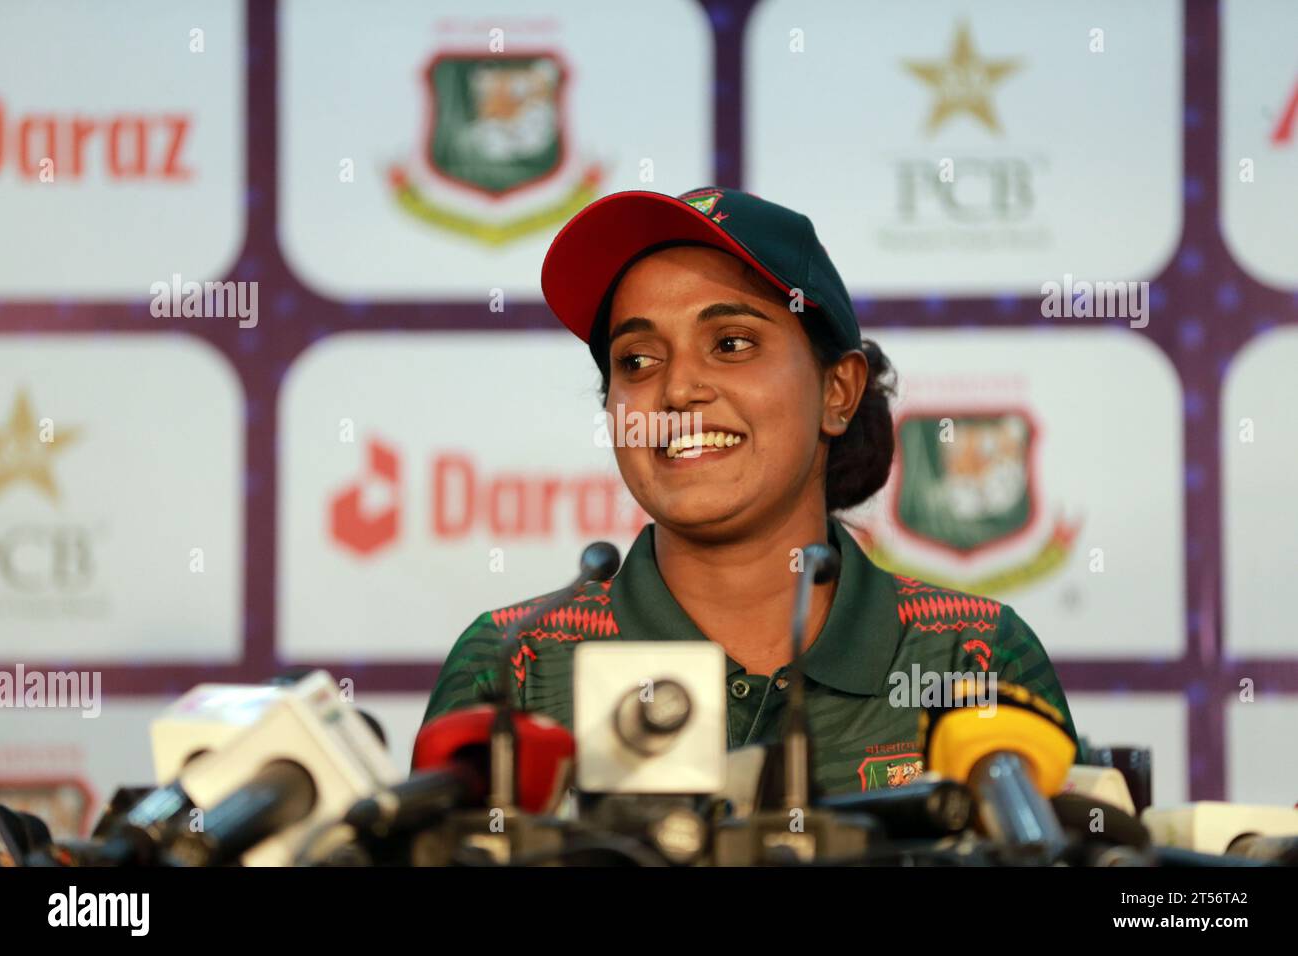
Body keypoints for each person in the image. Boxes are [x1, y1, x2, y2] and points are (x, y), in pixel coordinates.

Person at [419, 186, 1077, 795]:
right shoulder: (516, 662)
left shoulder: (970, 651)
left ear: (838, 391)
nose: (678, 390)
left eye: (731, 343)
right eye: (637, 360)